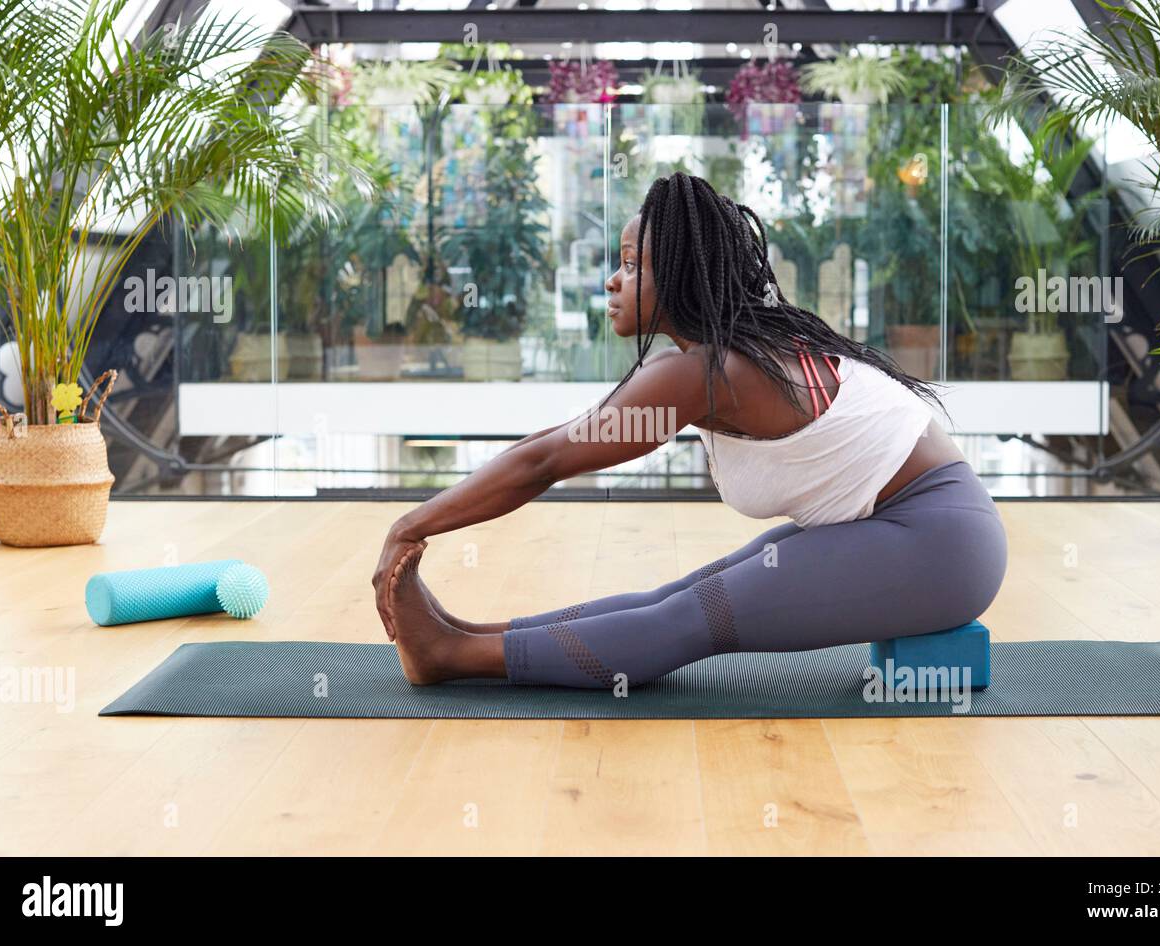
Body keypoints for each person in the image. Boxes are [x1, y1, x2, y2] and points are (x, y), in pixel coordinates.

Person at [372, 172, 1007, 688]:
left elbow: (546, 461)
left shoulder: (706, 371)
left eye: (630, 265)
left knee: (689, 619)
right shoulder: (738, 350)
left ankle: (454, 657)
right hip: (918, 529)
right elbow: (558, 442)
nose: (612, 282)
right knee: (684, 590)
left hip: (937, 547)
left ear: (676, 276)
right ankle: (468, 635)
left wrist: (410, 525)